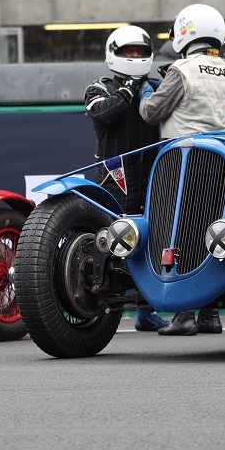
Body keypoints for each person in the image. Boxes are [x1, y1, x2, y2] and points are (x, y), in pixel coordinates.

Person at [140, 4, 225, 336]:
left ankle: (183, 315)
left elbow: (152, 113)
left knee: (176, 231)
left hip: (181, 160)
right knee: (210, 233)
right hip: (219, 161)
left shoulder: (181, 69)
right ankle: (210, 314)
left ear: (185, 33)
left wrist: (145, 92)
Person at [84, 26, 166, 333]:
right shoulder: (99, 87)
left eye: (140, 52)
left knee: (151, 238)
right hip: (114, 176)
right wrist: (128, 90)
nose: (135, 57)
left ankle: (146, 311)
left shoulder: (155, 87)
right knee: (112, 238)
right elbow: (102, 114)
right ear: (114, 54)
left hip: (151, 172)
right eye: (129, 52)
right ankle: (101, 306)